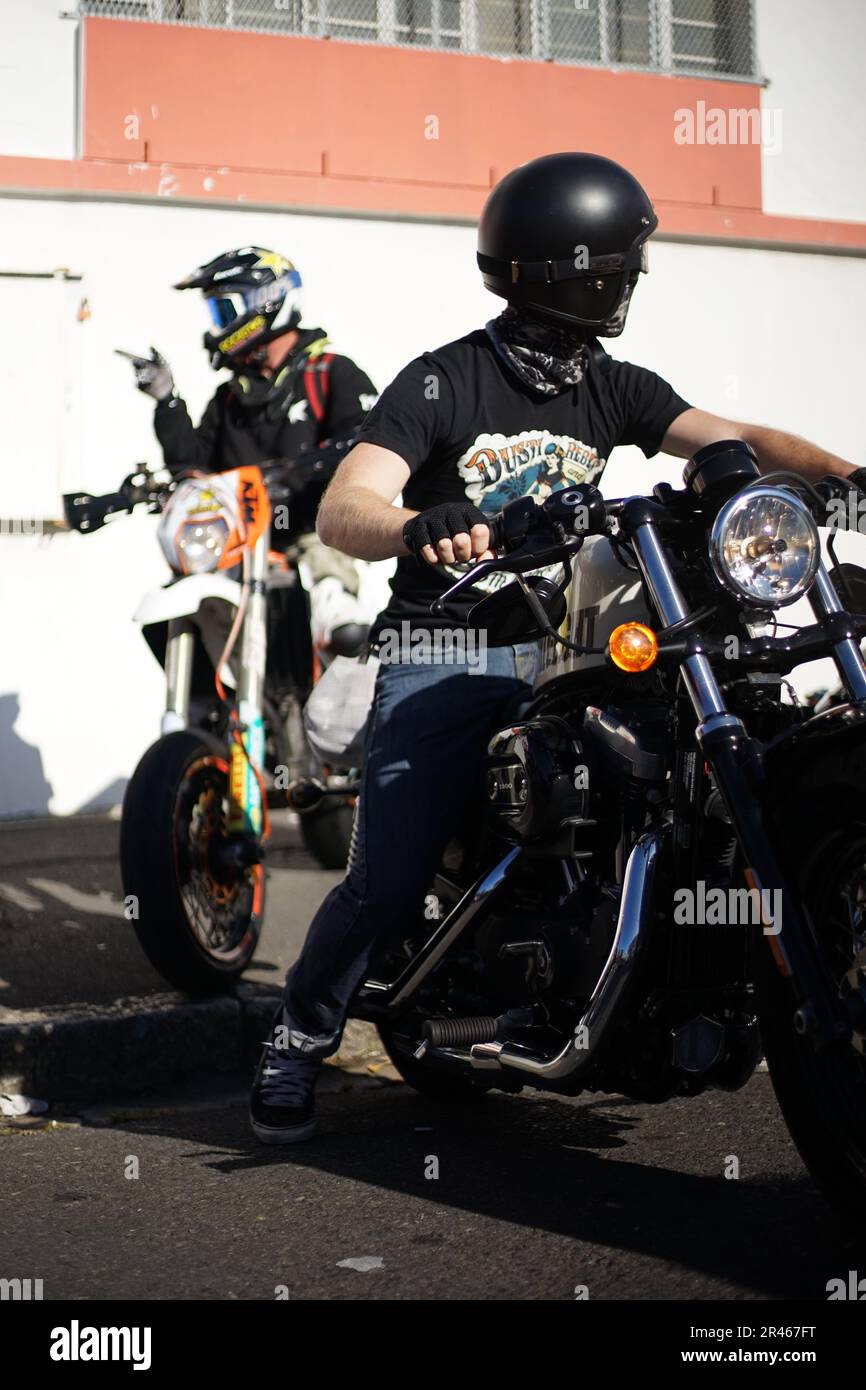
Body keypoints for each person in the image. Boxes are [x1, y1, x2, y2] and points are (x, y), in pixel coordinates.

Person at [249, 151, 863, 1144]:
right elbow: (344, 505)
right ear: (576, 270)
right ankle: (298, 1031)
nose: (633, 280)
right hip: (451, 642)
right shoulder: (444, 379)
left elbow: (733, 432)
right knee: (389, 873)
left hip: (569, 640)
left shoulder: (613, 387)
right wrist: (416, 524)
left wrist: (846, 476)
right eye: (622, 265)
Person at [127, 246, 379, 651]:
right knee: (176, 608)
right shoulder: (230, 398)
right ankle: (204, 708)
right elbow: (190, 467)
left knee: (337, 613)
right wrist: (166, 401)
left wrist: (297, 470)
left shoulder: (331, 372)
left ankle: (349, 681)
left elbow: (368, 442)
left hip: (310, 535)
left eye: (223, 312)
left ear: (266, 302)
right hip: (238, 544)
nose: (216, 327)